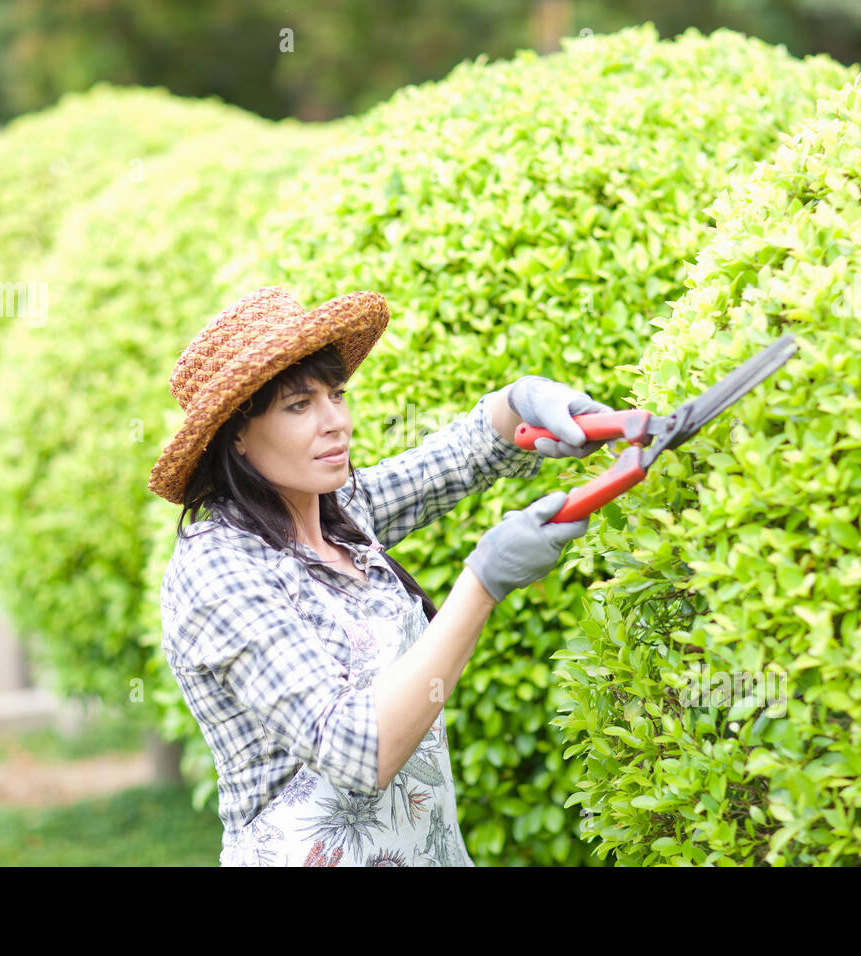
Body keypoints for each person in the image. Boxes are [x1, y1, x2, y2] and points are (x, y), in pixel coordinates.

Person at [147, 286, 612, 866]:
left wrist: (522, 401)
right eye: (299, 405)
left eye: (336, 395)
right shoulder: (218, 571)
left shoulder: (336, 514)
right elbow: (356, 750)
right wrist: (483, 582)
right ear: (236, 434)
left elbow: (455, 460)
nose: (335, 422)